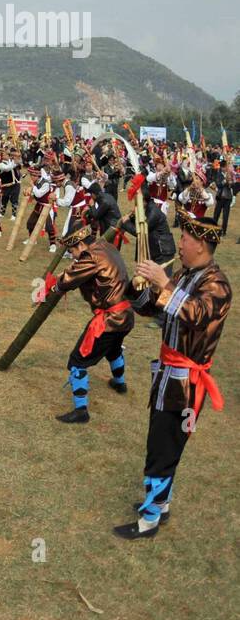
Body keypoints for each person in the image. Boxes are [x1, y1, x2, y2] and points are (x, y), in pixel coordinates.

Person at [117, 215, 231, 539]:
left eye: (184, 239)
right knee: (162, 440)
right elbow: (157, 309)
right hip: (168, 374)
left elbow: (194, 314)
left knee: (166, 446)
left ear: (200, 244)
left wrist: (164, 283)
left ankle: (149, 520)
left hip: (189, 385)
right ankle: (160, 504)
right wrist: (140, 287)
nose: (179, 244)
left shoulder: (217, 285)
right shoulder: (185, 273)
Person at [43, 222, 133, 424]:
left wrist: (52, 287)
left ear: (81, 245)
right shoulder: (105, 246)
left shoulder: (90, 256)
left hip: (110, 319)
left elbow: (69, 279)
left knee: (77, 361)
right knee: (113, 349)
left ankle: (81, 410)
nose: (73, 255)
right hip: (126, 315)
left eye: (73, 250)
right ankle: (119, 383)